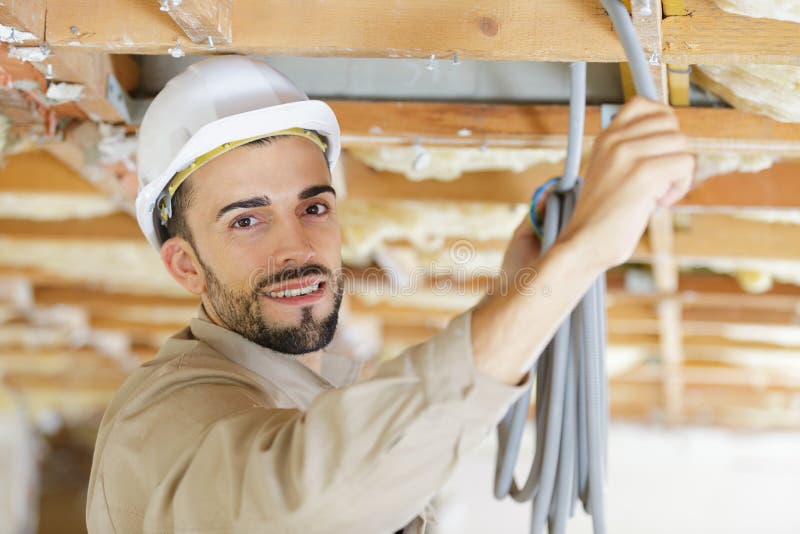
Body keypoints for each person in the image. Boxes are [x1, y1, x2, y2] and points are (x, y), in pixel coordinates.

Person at [86, 56, 693, 534]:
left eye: (313, 206)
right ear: (185, 265)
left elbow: (388, 446)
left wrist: (522, 285)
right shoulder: (158, 421)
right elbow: (305, 498)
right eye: (247, 220)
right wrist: (581, 253)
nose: (297, 247)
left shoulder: (298, 394)